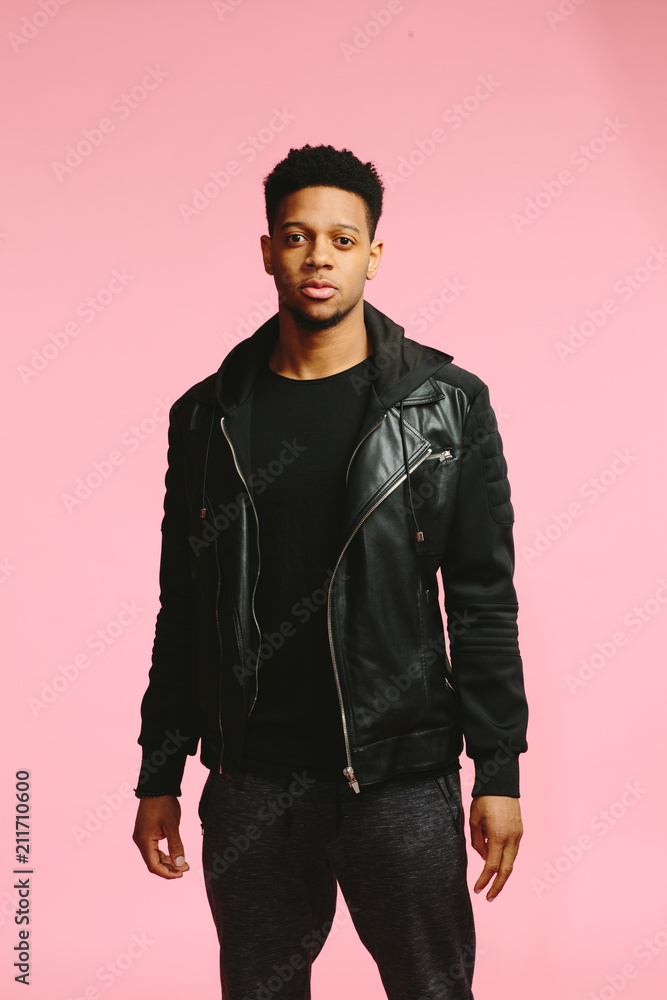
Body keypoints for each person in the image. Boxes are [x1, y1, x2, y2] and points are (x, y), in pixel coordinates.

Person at [132, 143, 529, 1000]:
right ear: (268, 249)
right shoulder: (206, 418)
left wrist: (498, 771)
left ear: (374, 254)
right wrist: (158, 771)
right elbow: (183, 607)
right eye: (298, 237)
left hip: (400, 778)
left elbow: (482, 602)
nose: (319, 258)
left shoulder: (446, 406)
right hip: (251, 785)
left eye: (342, 241)